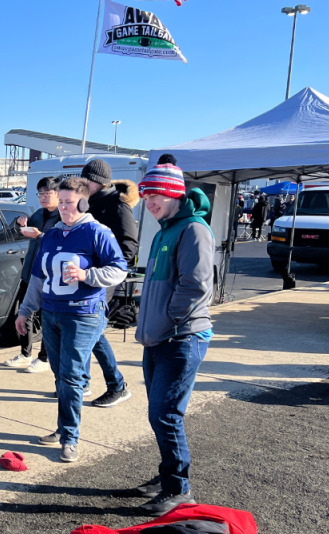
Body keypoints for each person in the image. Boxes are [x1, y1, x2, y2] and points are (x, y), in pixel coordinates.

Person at [14, 177, 127, 463]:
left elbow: (118, 270)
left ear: (82, 202)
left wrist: (88, 275)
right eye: (60, 202)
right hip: (51, 313)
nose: (63, 207)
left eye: (68, 202)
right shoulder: (51, 234)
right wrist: (25, 311)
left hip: (83, 314)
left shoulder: (97, 232)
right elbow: (39, 277)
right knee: (60, 375)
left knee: (71, 376)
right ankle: (64, 426)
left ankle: (70, 437)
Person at [131, 155, 214, 516]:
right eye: (146, 197)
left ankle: (178, 489)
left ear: (174, 194)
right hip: (160, 338)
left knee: (166, 414)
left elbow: (195, 288)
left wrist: (165, 321)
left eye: (156, 197)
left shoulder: (193, 229)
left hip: (181, 338)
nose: (150, 204)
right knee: (158, 413)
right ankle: (167, 476)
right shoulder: (166, 229)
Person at [77, 159, 135, 408]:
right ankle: (83, 382)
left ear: (98, 182)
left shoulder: (118, 205)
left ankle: (117, 385)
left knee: (93, 330)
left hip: (102, 276)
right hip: (82, 275)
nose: (81, 183)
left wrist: (105, 266)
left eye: (85, 179)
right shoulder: (86, 204)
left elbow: (129, 244)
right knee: (87, 329)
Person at [5, 176, 61, 372]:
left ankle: (44, 358)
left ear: (58, 194)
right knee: (24, 313)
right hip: (30, 272)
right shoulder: (39, 214)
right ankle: (25, 353)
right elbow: (19, 229)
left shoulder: (64, 216)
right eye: (40, 194)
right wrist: (18, 222)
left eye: (48, 193)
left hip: (51, 276)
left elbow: (62, 243)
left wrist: (40, 236)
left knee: (47, 317)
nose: (43, 197)